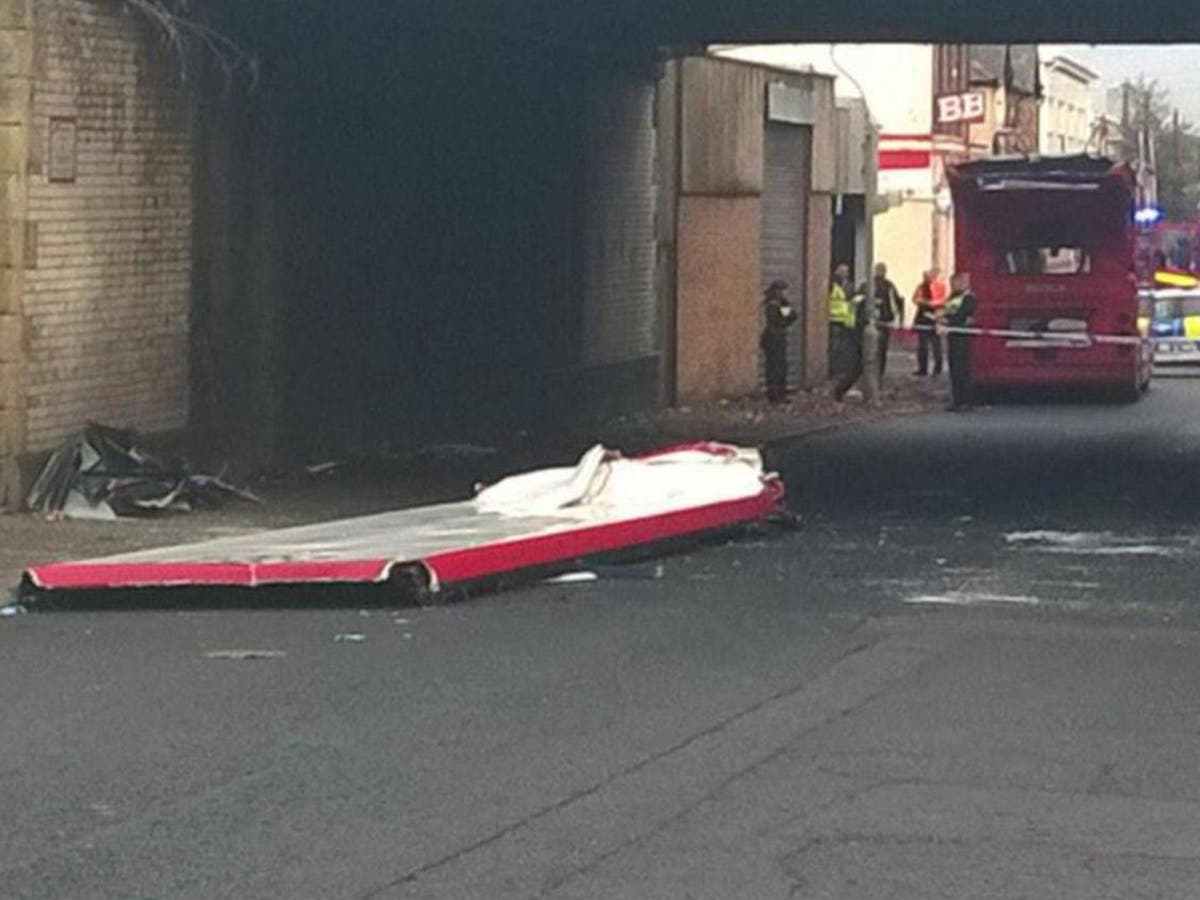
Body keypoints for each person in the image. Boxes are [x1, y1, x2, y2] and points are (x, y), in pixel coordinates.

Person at [939, 271, 979, 412]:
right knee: (954, 370)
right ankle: (957, 401)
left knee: (963, 370)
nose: (952, 285)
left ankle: (966, 401)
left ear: (962, 283)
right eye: (951, 283)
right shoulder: (953, 297)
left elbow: (963, 316)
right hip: (952, 337)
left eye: (954, 283)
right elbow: (948, 311)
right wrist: (941, 317)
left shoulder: (969, 298)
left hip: (962, 338)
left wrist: (948, 322)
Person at [760, 279, 797, 404]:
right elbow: (777, 321)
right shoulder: (772, 305)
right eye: (784, 291)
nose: (786, 293)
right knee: (774, 368)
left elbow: (792, 316)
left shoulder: (781, 303)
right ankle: (774, 396)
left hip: (778, 337)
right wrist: (785, 318)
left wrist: (786, 305)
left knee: (782, 367)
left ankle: (781, 394)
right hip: (773, 338)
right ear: (778, 291)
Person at [832, 281, 870, 403]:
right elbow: (860, 319)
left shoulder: (855, 299)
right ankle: (840, 392)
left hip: (849, 333)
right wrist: (866, 322)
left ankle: (842, 391)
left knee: (854, 366)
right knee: (856, 367)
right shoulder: (863, 301)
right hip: (855, 335)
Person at [872, 262, 904, 377]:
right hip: (875, 319)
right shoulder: (871, 284)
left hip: (884, 319)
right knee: (875, 347)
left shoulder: (889, 285)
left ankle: (879, 370)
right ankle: (876, 370)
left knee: (881, 347)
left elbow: (897, 301)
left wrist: (898, 317)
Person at [912, 268, 945, 376]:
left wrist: (932, 304)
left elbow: (943, 300)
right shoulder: (921, 287)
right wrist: (925, 302)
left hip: (936, 318)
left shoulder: (940, 287)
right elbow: (915, 299)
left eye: (928, 277)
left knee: (936, 346)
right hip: (923, 318)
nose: (926, 279)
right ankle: (923, 368)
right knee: (922, 346)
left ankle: (938, 368)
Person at [827, 263, 853, 376]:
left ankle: (840, 370)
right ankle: (833, 370)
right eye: (842, 272)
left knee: (843, 347)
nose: (844, 274)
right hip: (834, 320)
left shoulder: (848, 285)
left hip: (845, 320)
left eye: (846, 272)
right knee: (834, 346)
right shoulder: (832, 284)